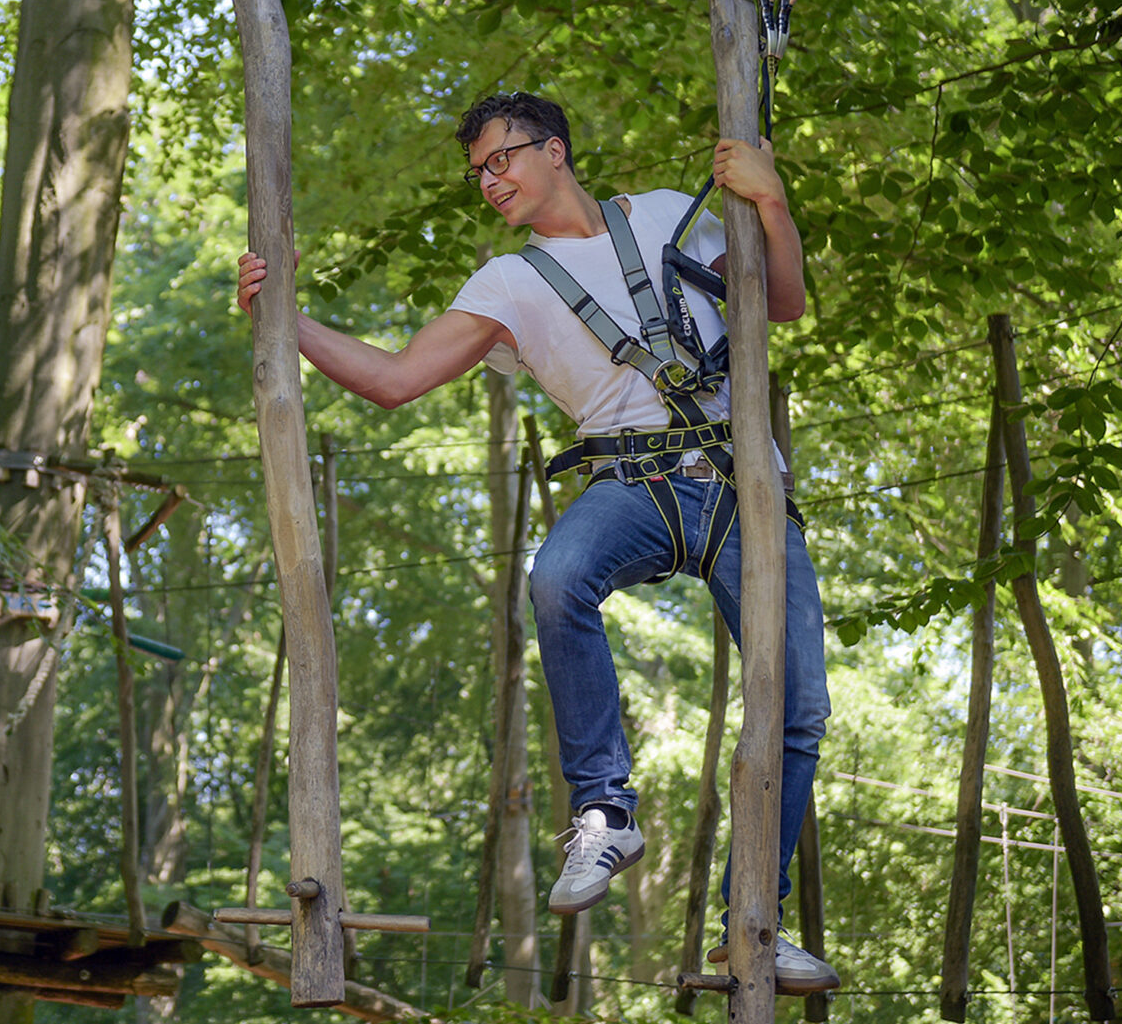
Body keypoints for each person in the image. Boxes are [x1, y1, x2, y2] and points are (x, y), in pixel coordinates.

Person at [235, 91, 837, 992]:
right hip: (629, 485)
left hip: (741, 477)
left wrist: (772, 202)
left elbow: (781, 304)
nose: (489, 180)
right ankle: (605, 807)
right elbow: (398, 380)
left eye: (500, 159)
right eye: (476, 170)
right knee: (556, 577)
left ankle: (751, 926)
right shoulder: (510, 285)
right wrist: (287, 319)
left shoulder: (674, 216)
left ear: (553, 149)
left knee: (796, 707)